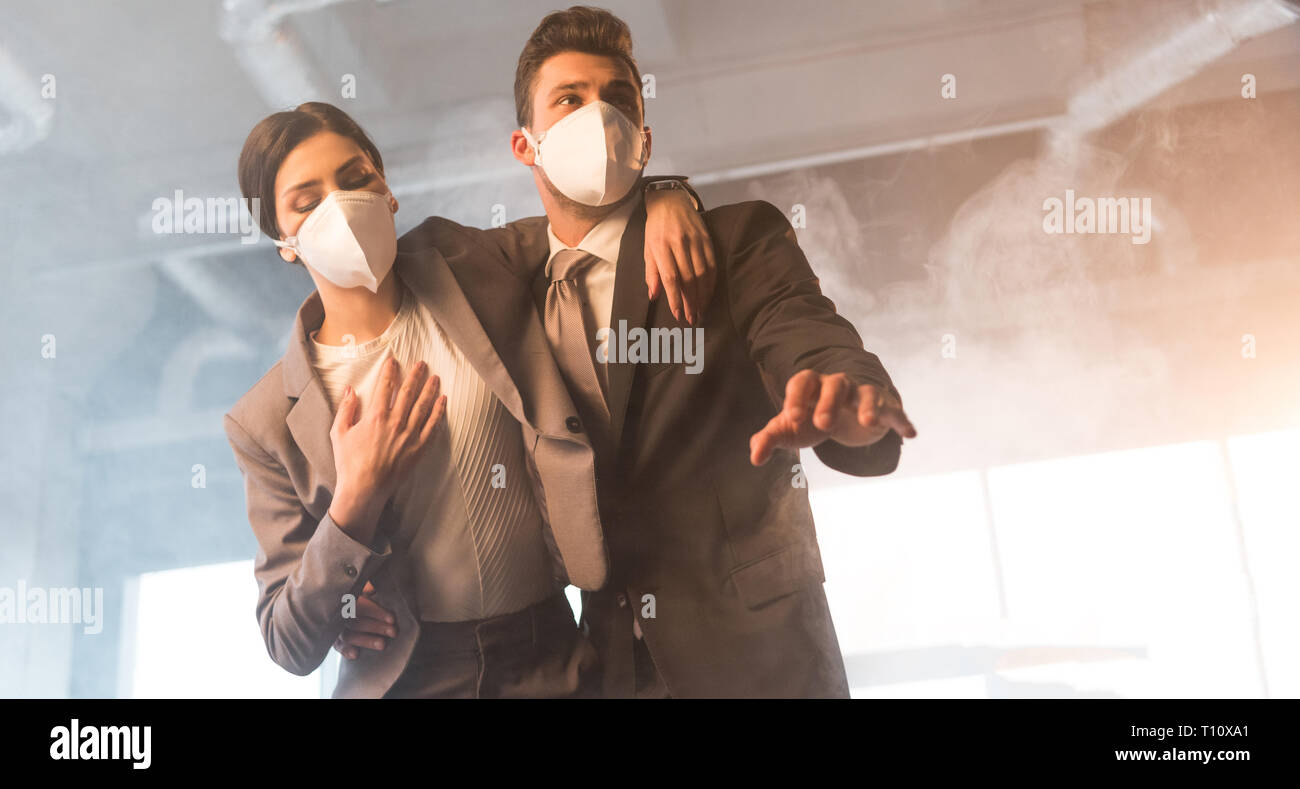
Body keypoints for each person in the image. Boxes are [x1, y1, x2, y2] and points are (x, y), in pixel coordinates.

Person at [482, 5, 919, 697]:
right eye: (569, 99)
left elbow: (809, 334)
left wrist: (849, 399)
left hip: (763, 660)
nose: (599, 117)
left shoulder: (735, 241)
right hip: (609, 670)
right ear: (525, 144)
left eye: (618, 99)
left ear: (645, 140)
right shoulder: (509, 291)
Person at [222, 100, 713, 698]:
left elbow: (594, 230)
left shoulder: (475, 264)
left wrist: (666, 193)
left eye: (355, 179)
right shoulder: (264, 421)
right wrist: (353, 505)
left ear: (387, 188)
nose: (341, 207)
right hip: (411, 678)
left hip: (554, 656)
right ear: (283, 241)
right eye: (307, 201)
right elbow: (288, 641)